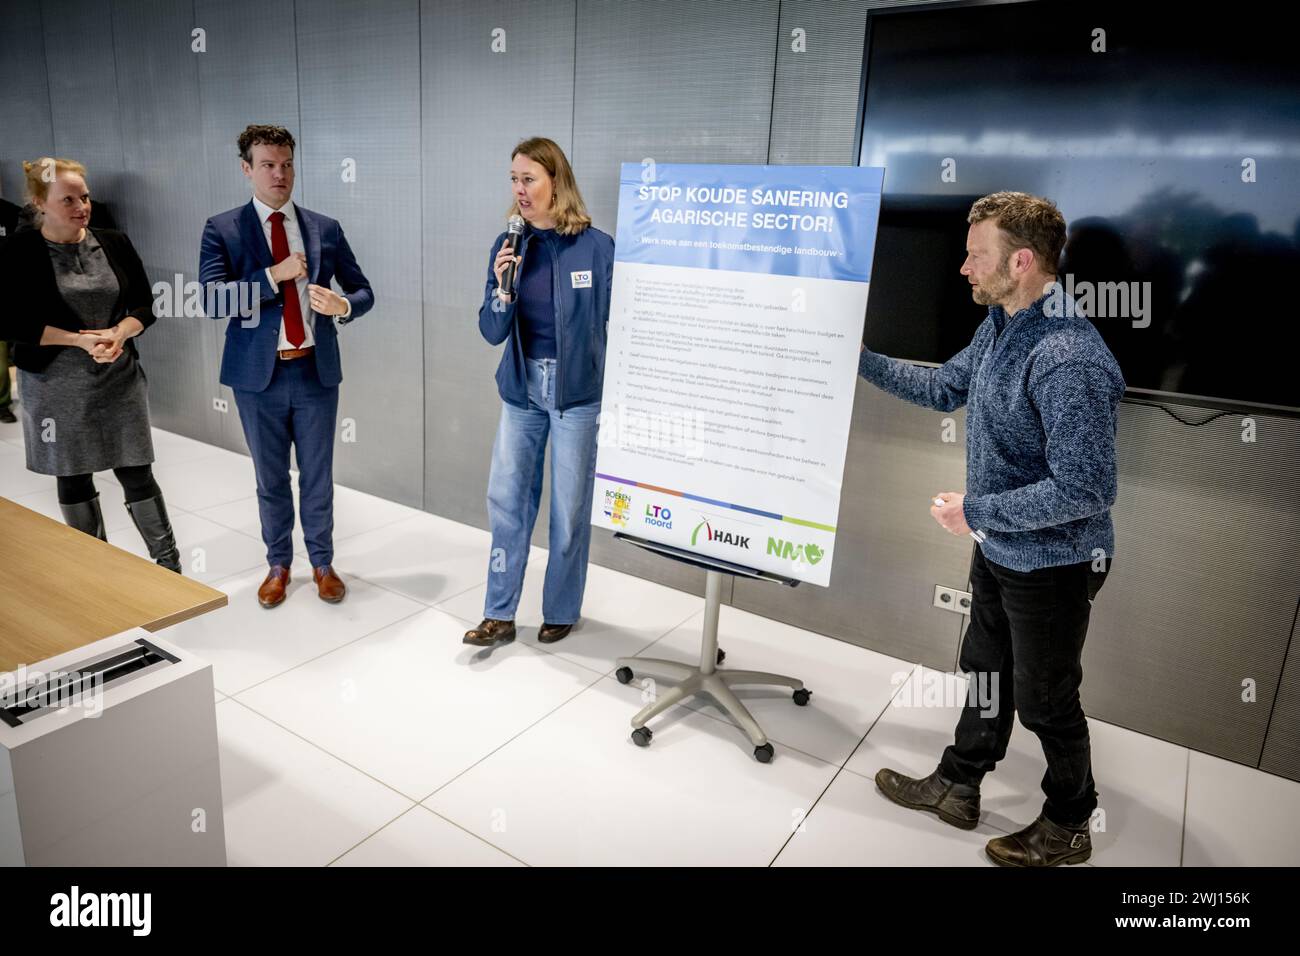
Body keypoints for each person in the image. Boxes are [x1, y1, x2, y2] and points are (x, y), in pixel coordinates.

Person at [860, 192, 1125, 867]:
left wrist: (974, 511)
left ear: (1024, 260)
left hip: (1057, 561)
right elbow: (941, 388)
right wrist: (849, 357)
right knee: (984, 669)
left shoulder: (1068, 358)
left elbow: (1085, 490)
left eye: (978, 254)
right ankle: (958, 783)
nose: (963, 267)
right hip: (1001, 547)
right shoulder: (1003, 324)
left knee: (1044, 699)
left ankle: (1069, 822)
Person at [199, 124, 374, 609]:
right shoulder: (224, 228)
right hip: (258, 378)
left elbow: (363, 290)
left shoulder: (324, 227)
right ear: (247, 169)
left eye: (287, 164)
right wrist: (271, 276)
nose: (280, 174)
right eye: (269, 165)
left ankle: (322, 563)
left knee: (318, 475)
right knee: (270, 477)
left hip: (315, 371)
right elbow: (212, 299)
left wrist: (342, 306)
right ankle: (279, 564)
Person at [462, 137, 614, 647]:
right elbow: (490, 330)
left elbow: (622, 324)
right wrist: (503, 287)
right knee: (507, 501)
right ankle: (498, 614)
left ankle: (562, 608)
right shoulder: (510, 246)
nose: (519, 190)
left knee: (568, 510)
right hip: (523, 390)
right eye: (514, 179)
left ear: (557, 182)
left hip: (578, 395)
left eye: (529, 179)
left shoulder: (596, 247)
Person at [0, 158, 181, 570]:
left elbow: (144, 305)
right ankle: (97, 571)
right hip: (56, 381)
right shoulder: (19, 250)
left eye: (84, 196)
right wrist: (78, 341)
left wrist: (119, 334)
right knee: (74, 474)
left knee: (137, 470)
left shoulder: (113, 240)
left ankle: (170, 568)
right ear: (38, 202)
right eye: (68, 199)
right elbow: (9, 320)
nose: (82, 205)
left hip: (118, 374)